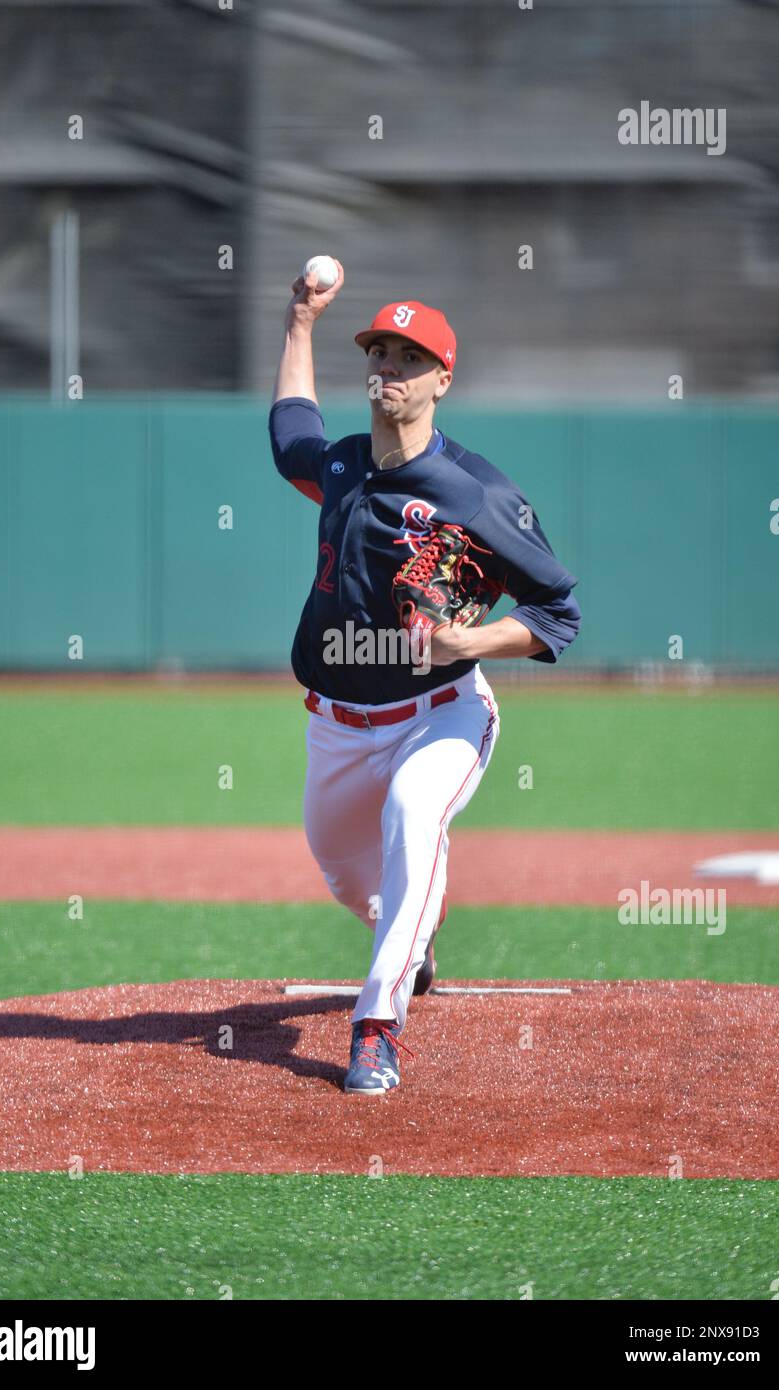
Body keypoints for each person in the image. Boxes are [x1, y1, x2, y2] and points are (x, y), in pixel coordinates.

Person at [269, 259, 581, 1095]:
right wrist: (300, 322)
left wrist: (465, 645)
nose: (388, 371)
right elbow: (288, 433)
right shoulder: (340, 468)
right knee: (344, 873)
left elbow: (558, 614)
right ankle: (413, 938)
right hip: (335, 721)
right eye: (378, 354)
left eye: (408, 359)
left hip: (438, 714)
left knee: (414, 813)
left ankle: (377, 1028)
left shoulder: (475, 494)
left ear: (443, 378)